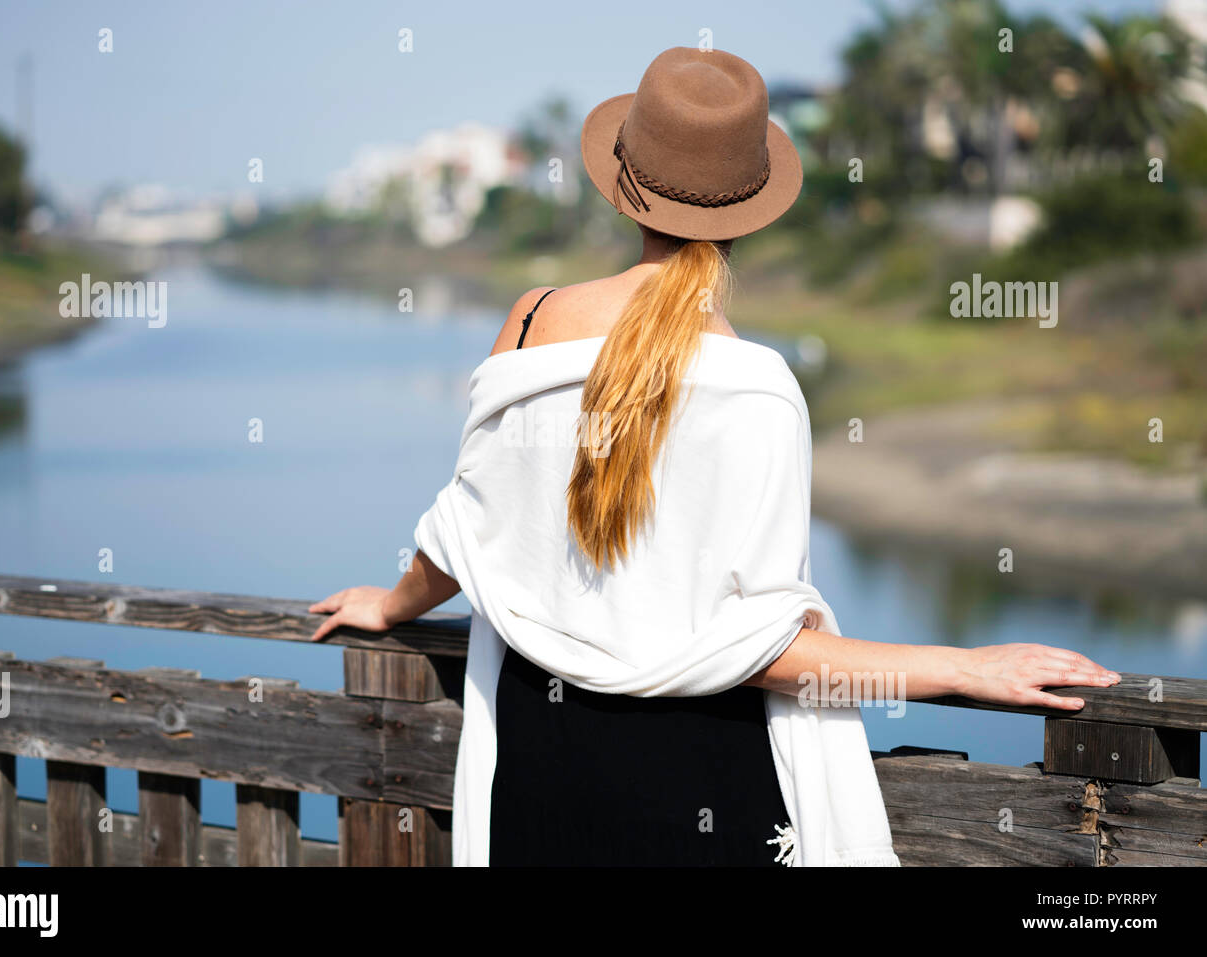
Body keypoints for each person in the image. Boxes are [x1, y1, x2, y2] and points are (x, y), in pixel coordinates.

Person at [309, 46, 1120, 867]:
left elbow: (467, 534)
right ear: (750, 212)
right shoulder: (758, 387)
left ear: (623, 189)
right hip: (701, 779)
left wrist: (393, 605)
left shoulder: (530, 321)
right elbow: (764, 648)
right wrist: (962, 668)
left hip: (535, 764)